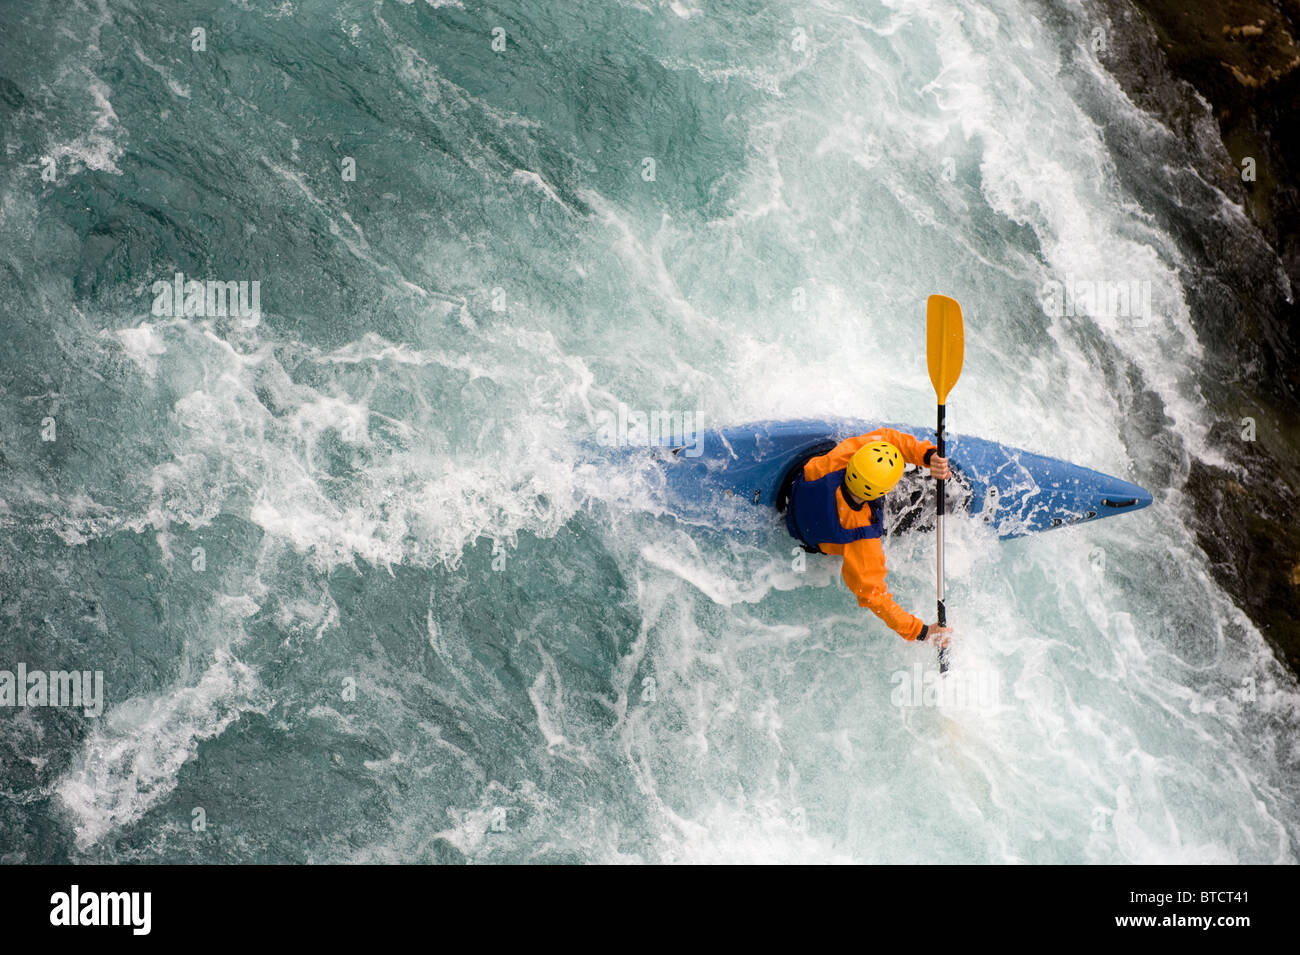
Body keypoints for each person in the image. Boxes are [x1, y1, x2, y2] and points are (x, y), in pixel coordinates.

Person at [782, 428, 953, 648]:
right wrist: (923, 632)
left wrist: (928, 455)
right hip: (823, 537)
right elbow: (874, 597)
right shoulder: (861, 540)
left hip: (797, 500)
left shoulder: (840, 456)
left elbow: (887, 438)